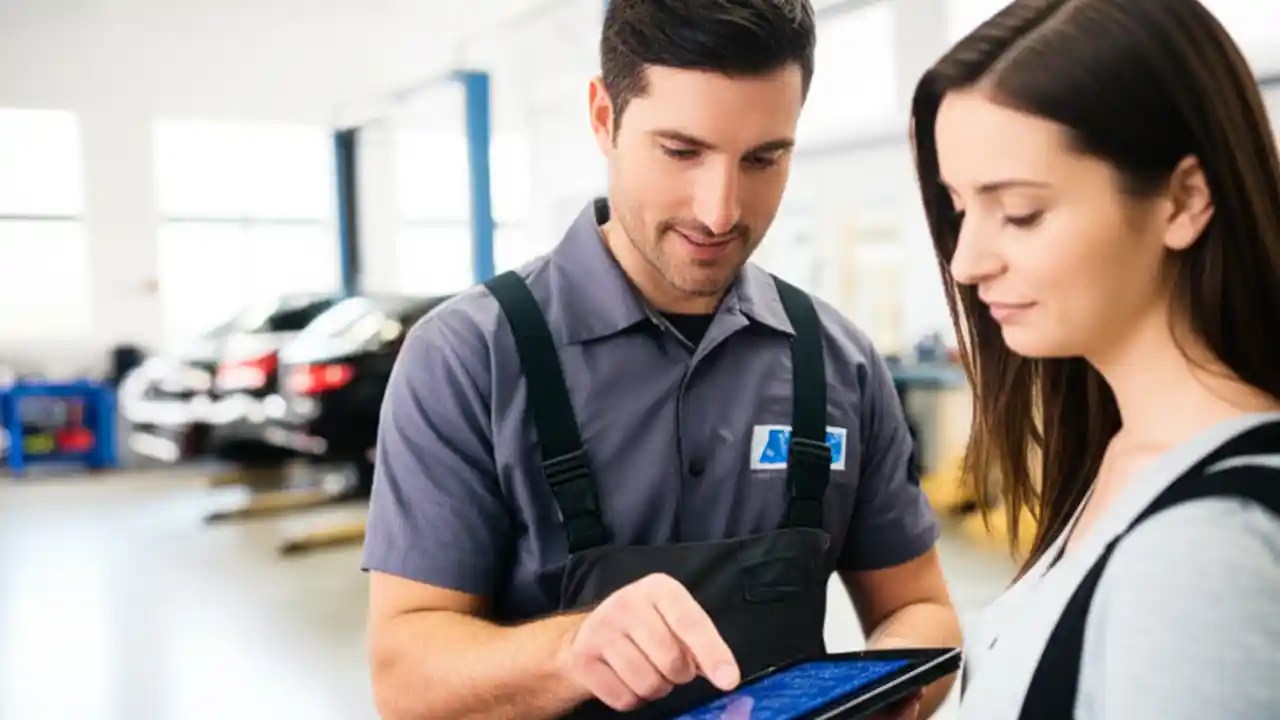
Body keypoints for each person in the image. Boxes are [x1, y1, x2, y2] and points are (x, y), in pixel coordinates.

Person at [362, 1, 962, 718]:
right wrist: (571, 651)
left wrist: (887, 696)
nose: (719, 210)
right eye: (681, 152)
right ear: (602, 116)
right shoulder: (466, 360)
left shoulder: (839, 363)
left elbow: (921, 606)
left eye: (764, 158)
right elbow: (404, 679)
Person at [908, 0, 1280, 718]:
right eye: (959, 207)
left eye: (1019, 212)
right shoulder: (1123, 456)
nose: (965, 261)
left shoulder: (1209, 549)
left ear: (1184, 199)